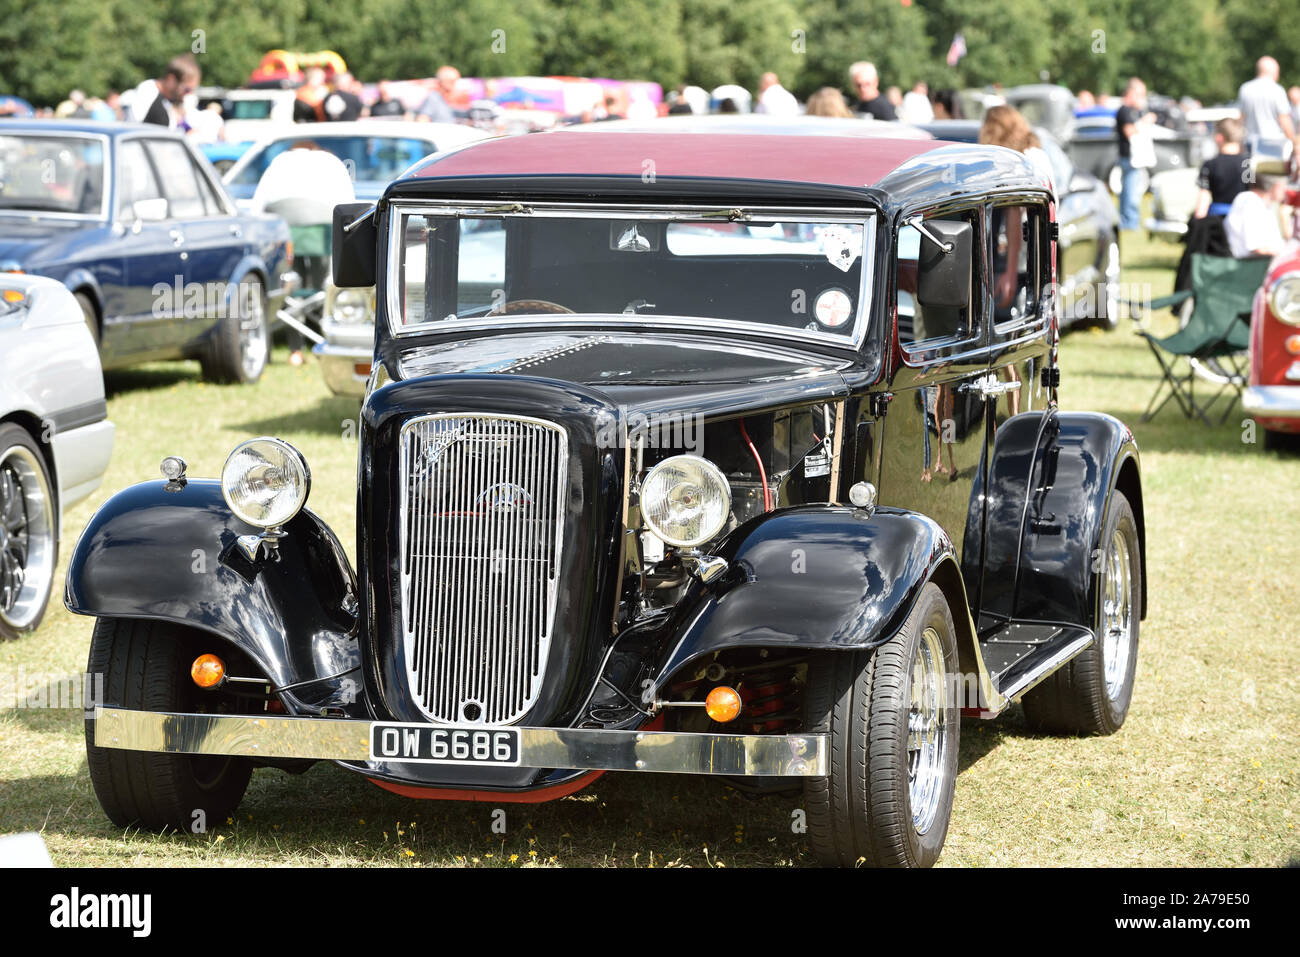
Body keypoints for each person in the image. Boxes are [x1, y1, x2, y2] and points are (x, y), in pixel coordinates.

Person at [1115, 77, 1156, 231]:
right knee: (1130, 192)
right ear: (1131, 93)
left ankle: (1128, 221)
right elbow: (1129, 132)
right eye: (1140, 94)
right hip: (1129, 157)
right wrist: (1144, 121)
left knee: (1130, 190)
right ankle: (1129, 222)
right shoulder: (1124, 111)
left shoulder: (1131, 111)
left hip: (1132, 157)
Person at [1237, 56, 1295, 151]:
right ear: (1274, 71)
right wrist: (1293, 142)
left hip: (1251, 143)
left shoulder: (1245, 89)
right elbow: (1284, 119)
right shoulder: (1277, 90)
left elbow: (1241, 118)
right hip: (1274, 144)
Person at [1225, 173, 1288, 258]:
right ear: (1276, 187)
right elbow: (1257, 248)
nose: (1286, 191)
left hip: (1257, 263)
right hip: (1252, 265)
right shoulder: (1252, 203)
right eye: (1284, 187)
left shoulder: (1256, 202)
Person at [127, 54, 200, 127]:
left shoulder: (167, 101)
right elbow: (133, 128)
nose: (189, 94)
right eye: (187, 89)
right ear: (171, 80)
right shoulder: (148, 91)